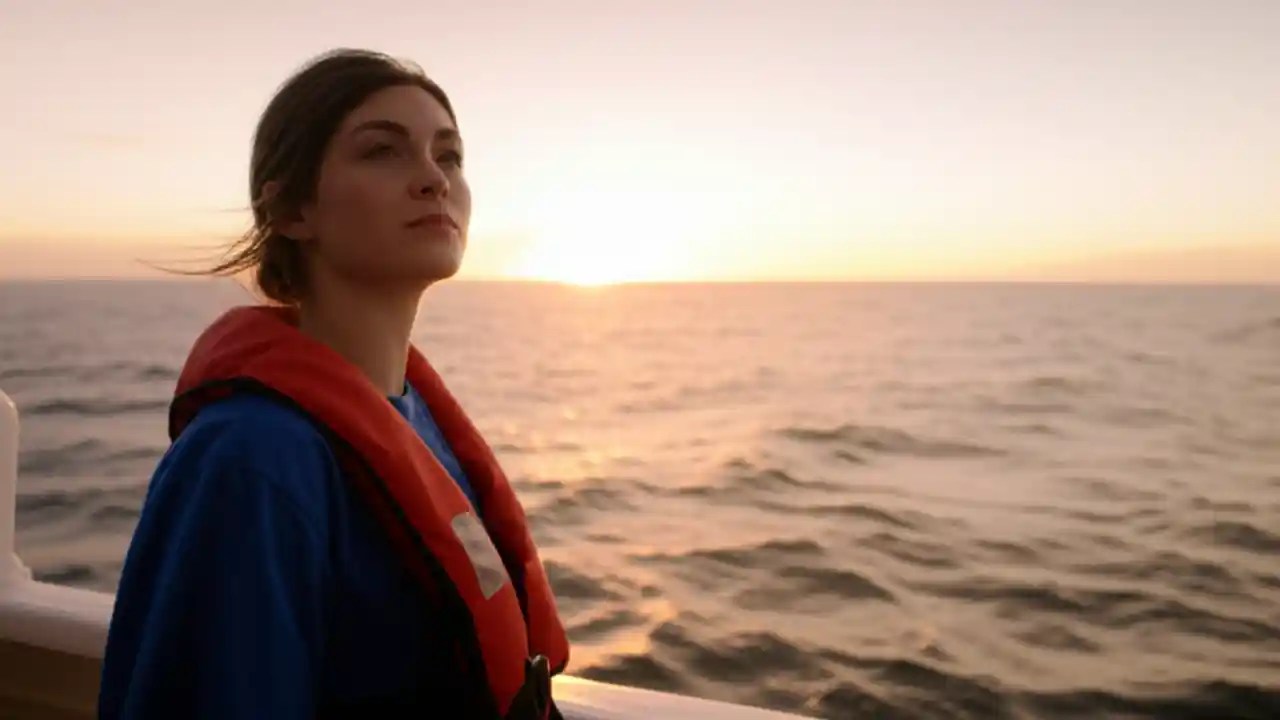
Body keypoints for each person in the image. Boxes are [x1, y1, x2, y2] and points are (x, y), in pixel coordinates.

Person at [98, 48, 570, 719]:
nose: (434, 179)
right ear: (292, 212)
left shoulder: (419, 423)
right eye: (383, 151)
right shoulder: (253, 459)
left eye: (450, 156)